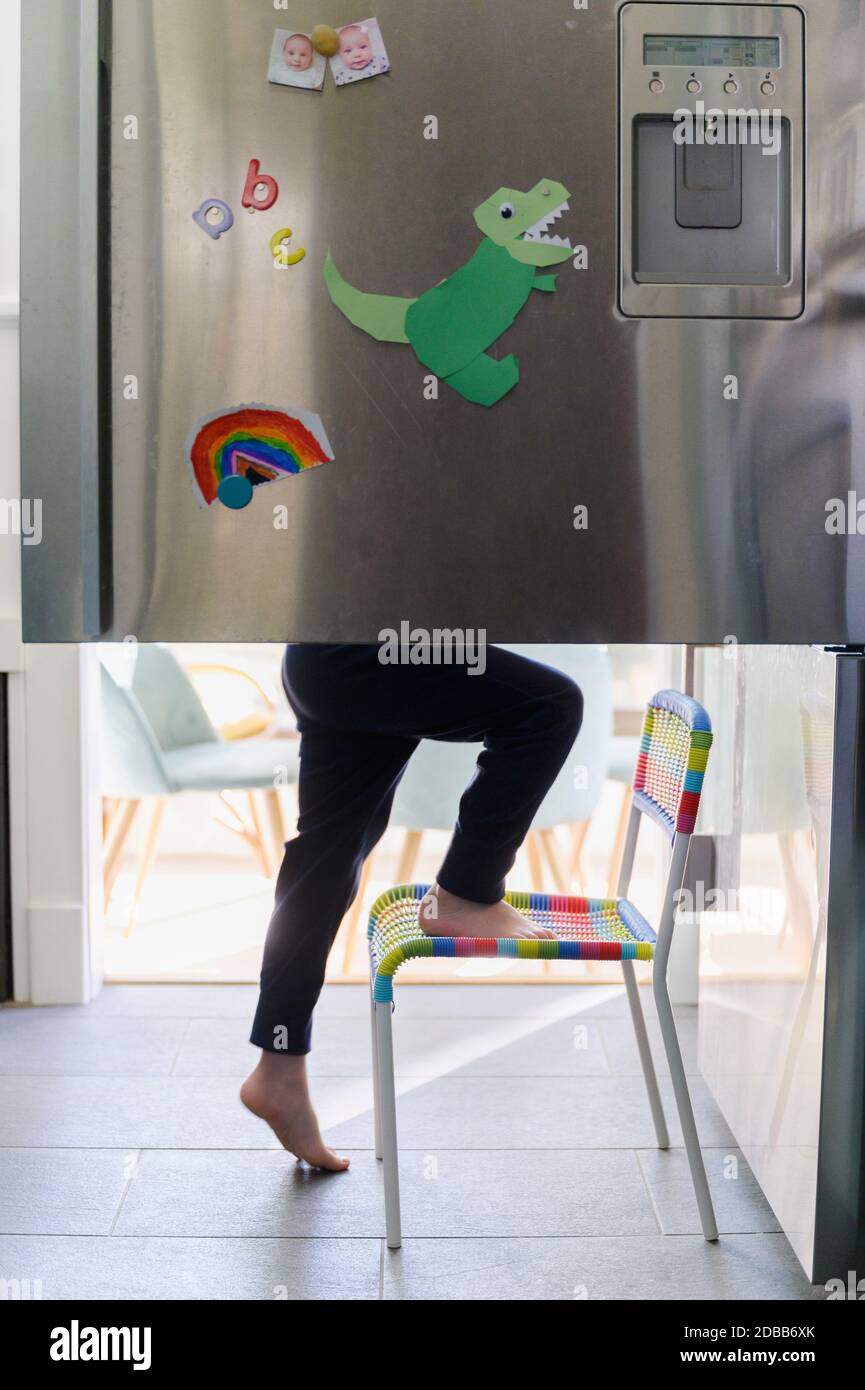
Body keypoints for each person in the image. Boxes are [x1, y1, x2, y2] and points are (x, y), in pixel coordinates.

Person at [241, 642, 583, 1170]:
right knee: (549, 705)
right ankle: (467, 892)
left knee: (326, 857)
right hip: (373, 650)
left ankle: (278, 1066)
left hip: (324, 654)